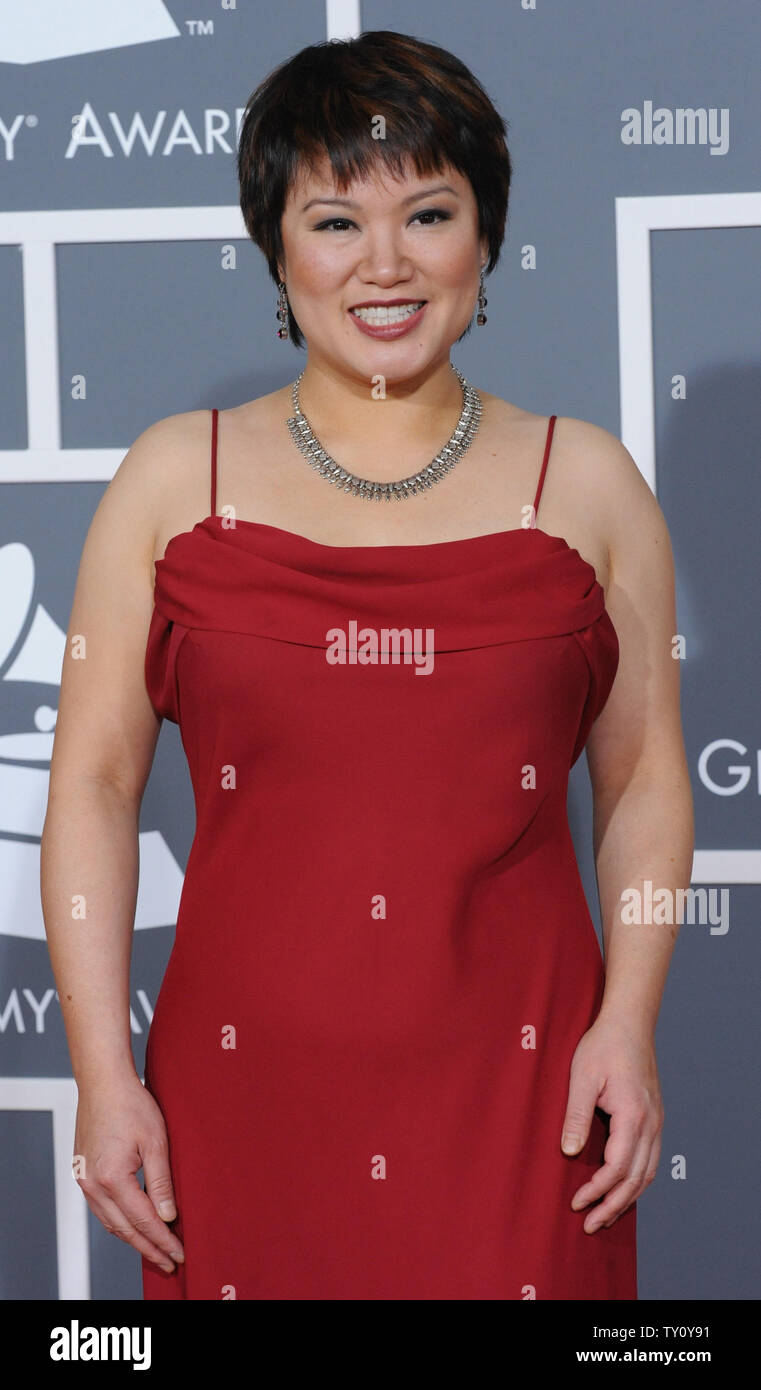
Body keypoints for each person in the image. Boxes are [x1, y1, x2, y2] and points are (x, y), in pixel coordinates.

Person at [42, 30, 694, 1300]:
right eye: (336, 221)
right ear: (279, 251)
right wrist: (102, 1075)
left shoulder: (590, 482)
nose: (384, 266)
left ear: (484, 238)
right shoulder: (177, 478)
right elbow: (95, 785)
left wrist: (627, 1025)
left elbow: (645, 785)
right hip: (240, 1094)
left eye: (428, 214)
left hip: (525, 1098)